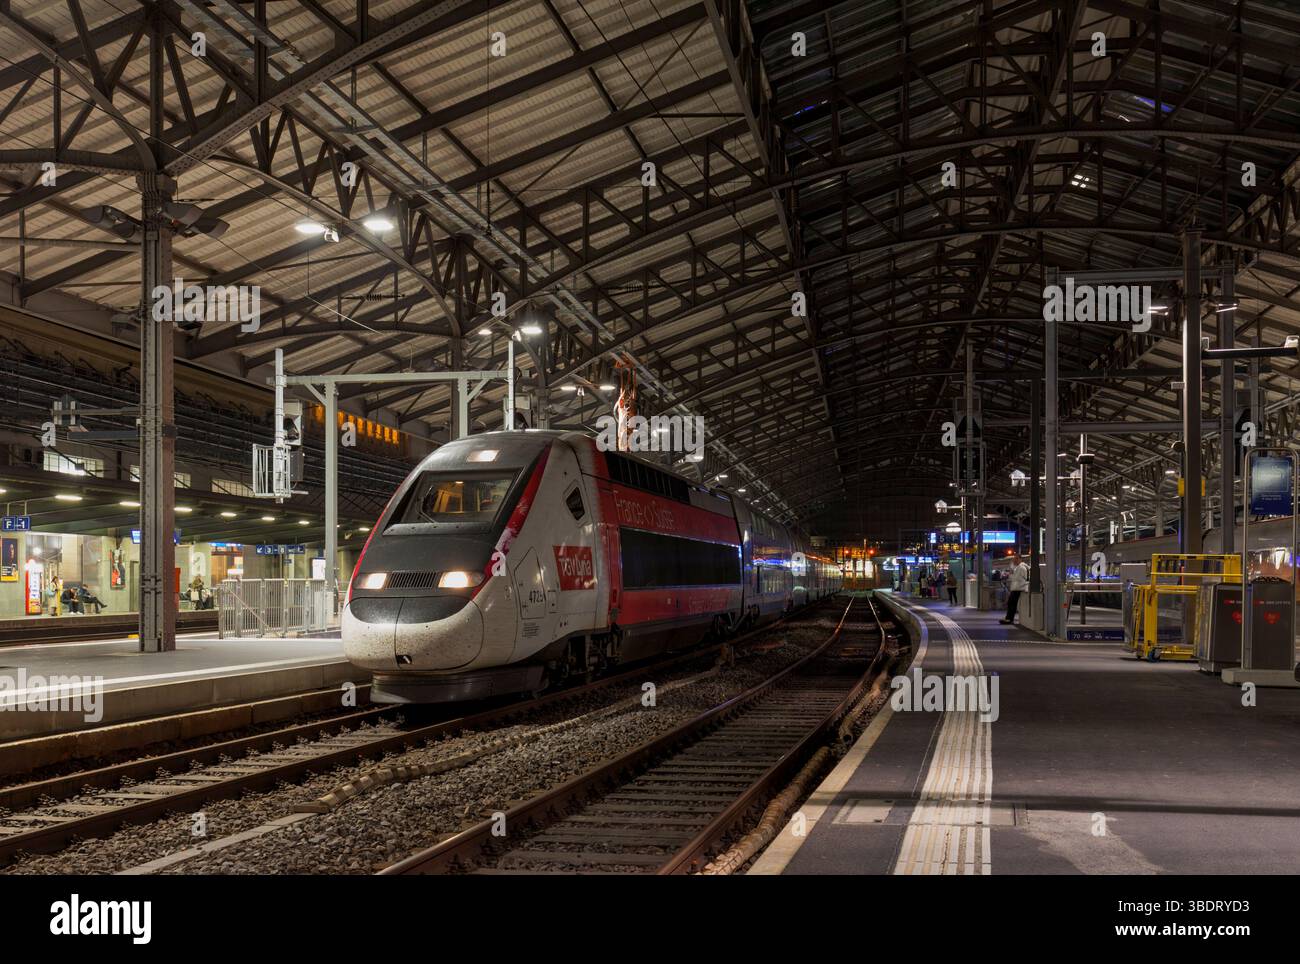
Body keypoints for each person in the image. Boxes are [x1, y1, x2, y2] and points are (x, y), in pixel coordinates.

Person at [1000, 553, 1030, 625]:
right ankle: (1008, 618)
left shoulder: (1022, 568)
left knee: (1012, 603)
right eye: (1014, 558)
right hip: (1016, 588)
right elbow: (1014, 578)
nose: (1014, 560)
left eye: (1016, 558)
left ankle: (1009, 619)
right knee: (1011, 603)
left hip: (1019, 588)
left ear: (1020, 559)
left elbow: (1026, 578)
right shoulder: (1017, 568)